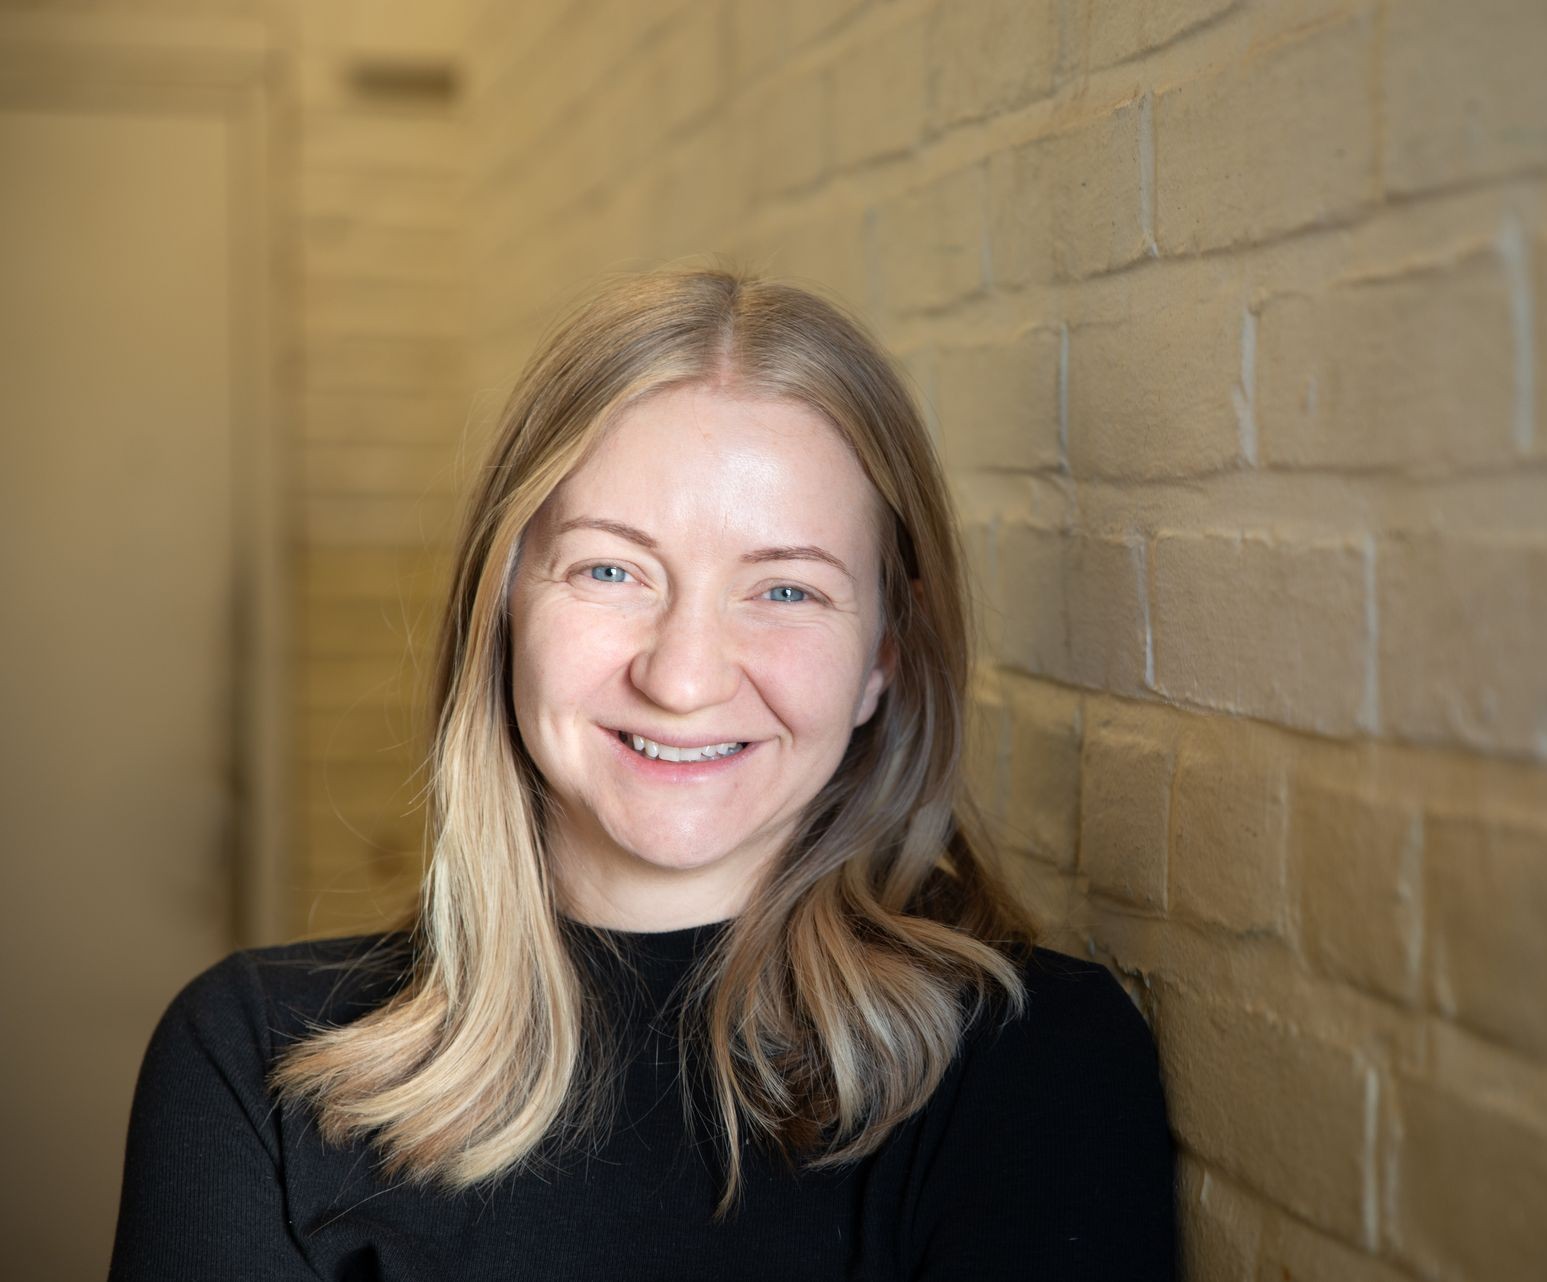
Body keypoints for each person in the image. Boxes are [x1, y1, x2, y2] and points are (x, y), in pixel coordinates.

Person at [108, 269, 1178, 1280]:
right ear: (505, 604)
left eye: (787, 591)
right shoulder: (257, 1065)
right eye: (611, 570)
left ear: (884, 657)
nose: (682, 677)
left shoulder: (1032, 1068)